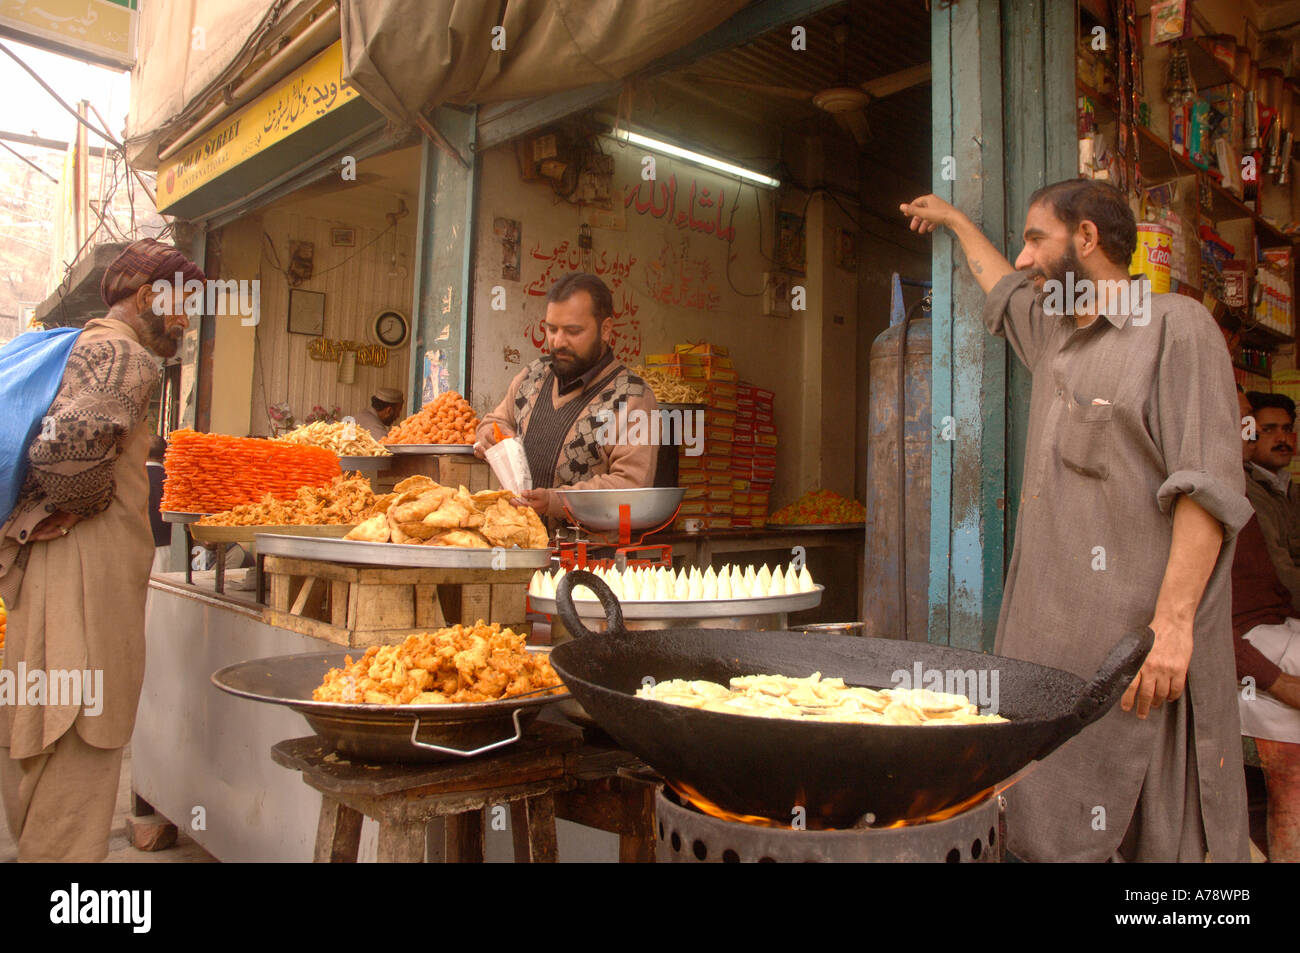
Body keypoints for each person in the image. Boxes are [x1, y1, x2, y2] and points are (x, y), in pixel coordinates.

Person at [901, 180, 1251, 862]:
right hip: (1051, 657)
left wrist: (1174, 627)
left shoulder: (1177, 329)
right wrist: (951, 220)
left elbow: (1204, 489)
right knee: (1045, 829)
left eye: (1037, 238)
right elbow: (1001, 288)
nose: (1026, 256)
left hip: (1140, 658)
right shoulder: (1058, 337)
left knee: (1165, 851)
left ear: (1086, 238)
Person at [0, 238, 203, 861]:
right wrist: (72, 504)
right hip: (82, 582)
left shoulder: (77, 344)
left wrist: (36, 512)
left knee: (37, 731)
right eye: (181, 307)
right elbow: (64, 449)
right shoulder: (125, 357)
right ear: (148, 297)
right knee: (79, 736)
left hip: (50, 577)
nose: (186, 323)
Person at [475, 272, 659, 523]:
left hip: (589, 558)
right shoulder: (532, 377)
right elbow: (495, 421)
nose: (558, 341)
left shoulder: (633, 398)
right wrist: (490, 435)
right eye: (552, 329)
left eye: (573, 331)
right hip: (519, 547)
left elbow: (630, 487)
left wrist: (555, 501)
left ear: (605, 330)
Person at [1231, 387, 1300, 862]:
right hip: (1248, 655)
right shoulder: (1201, 499)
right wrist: (1277, 681)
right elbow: (1197, 621)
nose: (1252, 435)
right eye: (1256, 427)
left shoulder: (1241, 494)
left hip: (1276, 630)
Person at [1242, 391, 1300, 605]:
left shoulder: (1290, 489)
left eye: (1286, 429)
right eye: (1269, 430)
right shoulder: (1248, 489)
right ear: (1250, 433)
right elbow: (1279, 568)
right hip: (1270, 610)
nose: (1282, 439)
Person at [147, 434, 171, 573]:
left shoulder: (133, 479)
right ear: (165, 454)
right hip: (167, 548)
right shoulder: (173, 481)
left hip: (135, 548)